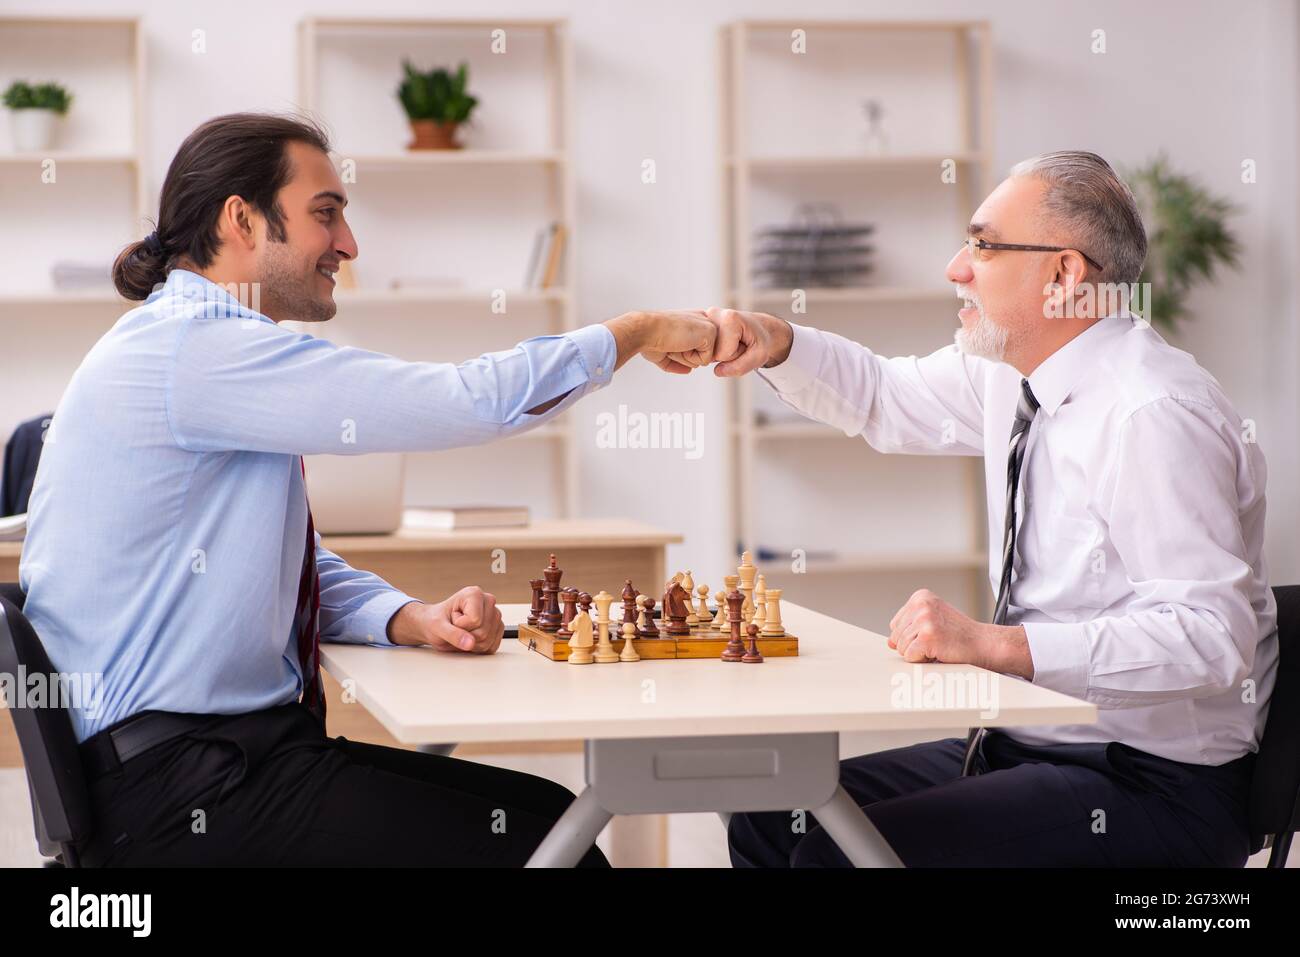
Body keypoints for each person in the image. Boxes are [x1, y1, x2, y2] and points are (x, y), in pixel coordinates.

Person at [20, 112, 714, 866]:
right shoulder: (197, 351)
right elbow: (466, 401)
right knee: (552, 847)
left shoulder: (190, 347)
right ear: (242, 219)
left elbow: (288, 569)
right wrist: (635, 332)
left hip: (215, 763)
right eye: (327, 214)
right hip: (181, 793)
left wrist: (407, 616)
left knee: (553, 821)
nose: (348, 245)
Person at [703, 151, 1277, 867]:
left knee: (834, 856)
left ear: (1064, 274)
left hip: (1152, 783)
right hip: (1025, 744)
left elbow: (1207, 636)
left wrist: (995, 645)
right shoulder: (1013, 374)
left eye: (983, 244)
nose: (955, 267)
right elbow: (882, 395)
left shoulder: (1151, 413)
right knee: (771, 816)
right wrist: (775, 343)